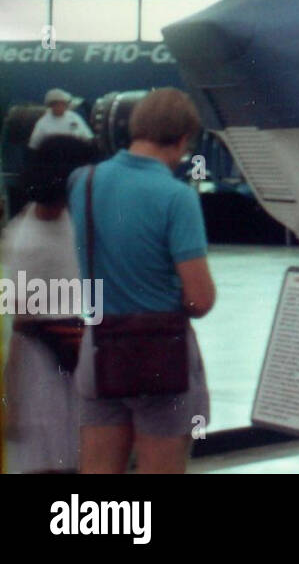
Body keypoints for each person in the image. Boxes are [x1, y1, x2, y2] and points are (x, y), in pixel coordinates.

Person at [68, 87, 217, 474]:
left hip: (99, 349)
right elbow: (200, 300)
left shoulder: (82, 182)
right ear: (183, 140)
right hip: (160, 358)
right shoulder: (176, 197)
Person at [1, 136, 99, 473]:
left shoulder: (71, 222)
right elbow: (20, 327)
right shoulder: (25, 241)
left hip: (71, 357)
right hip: (40, 366)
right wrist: (12, 402)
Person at [28, 88, 93, 149]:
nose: (60, 107)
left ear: (66, 105)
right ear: (50, 105)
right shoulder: (42, 123)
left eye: (62, 104)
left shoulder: (75, 118)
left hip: (75, 156)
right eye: (56, 104)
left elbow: (88, 138)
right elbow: (33, 146)